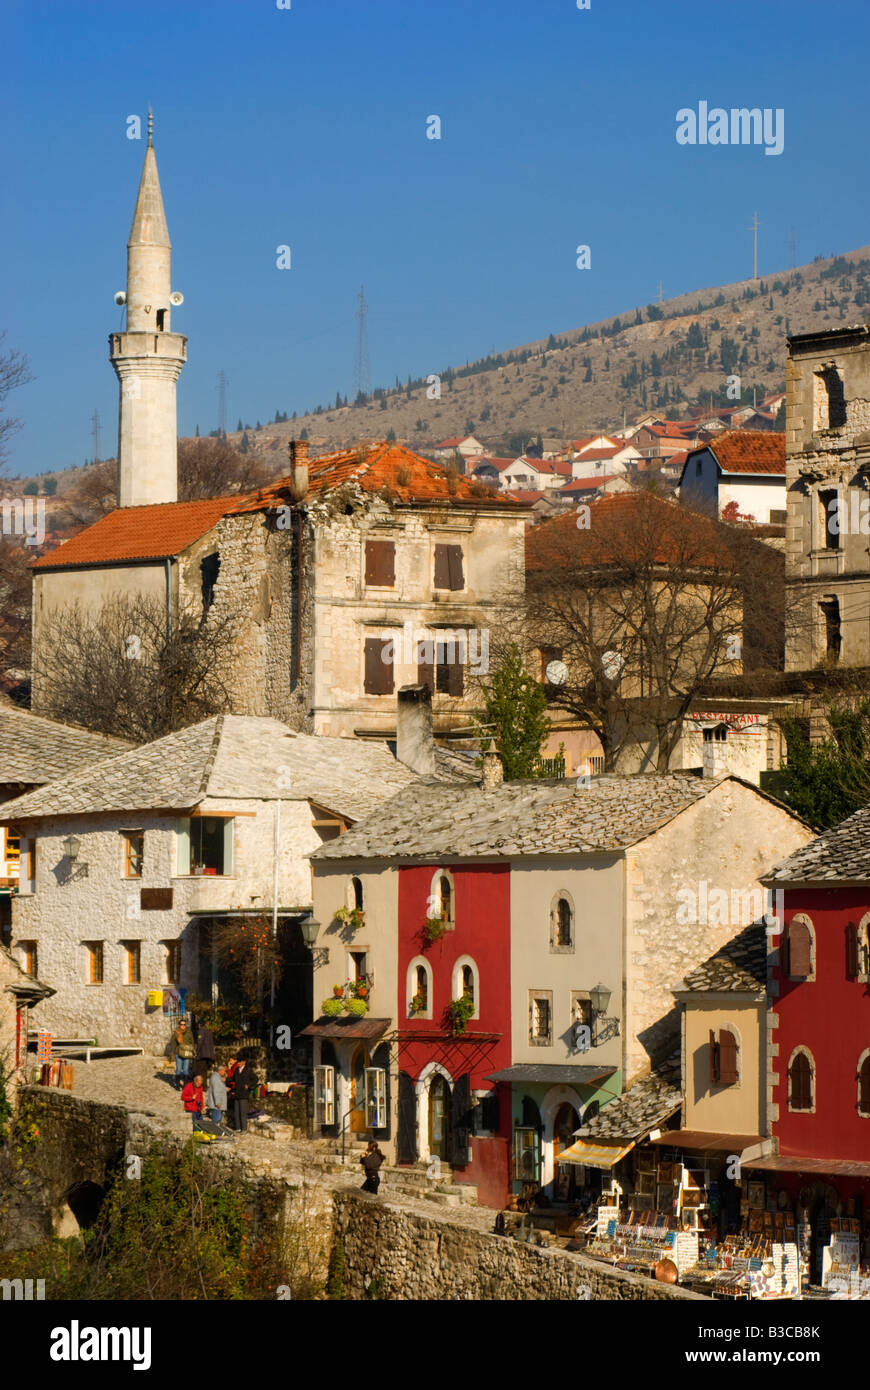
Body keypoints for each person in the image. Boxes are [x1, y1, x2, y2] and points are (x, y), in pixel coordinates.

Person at [169, 1019, 195, 1090]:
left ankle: (185, 1085)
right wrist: (173, 1052)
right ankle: (177, 1085)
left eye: (184, 1024)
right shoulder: (176, 1033)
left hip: (187, 1053)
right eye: (181, 1024)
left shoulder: (189, 1032)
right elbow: (172, 1042)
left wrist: (192, 1050)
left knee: (186, 1070)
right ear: (179, 1025)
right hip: (178, 1053)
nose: (183, 1026)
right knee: (178, 1069)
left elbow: (192, 1042)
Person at [233, 1058, 256, 1133]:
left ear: (244, 1062)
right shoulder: (236, 1070)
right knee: (237, 1112)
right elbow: (233, 1079)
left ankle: (244, 1129)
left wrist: (248, 1085)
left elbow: (255, 1079)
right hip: (237, 1093)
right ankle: (238, 1128)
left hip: (244, 1093)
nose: (238, 1063)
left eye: (240, 1062)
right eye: (238, 1062)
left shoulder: (248, 1070)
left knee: (243, 1112)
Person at [225, 1056, 240, 1128]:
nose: (229, 1061)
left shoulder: (236, 1067)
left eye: (231, 1060)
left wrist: (229, 1068)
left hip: (234, 1088)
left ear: (235, 1060)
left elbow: (231, 1077)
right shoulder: (234, 1067)